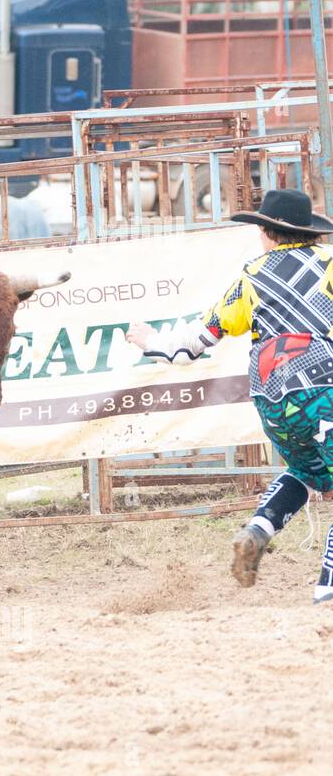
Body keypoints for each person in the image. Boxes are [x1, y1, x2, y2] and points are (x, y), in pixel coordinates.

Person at [126, 189, 333, 604]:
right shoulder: (329, 265)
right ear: (307, 232)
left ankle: (259, 529)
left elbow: (190, 347)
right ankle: (328, 590)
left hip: (273, 401)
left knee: (306, 471)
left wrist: (150, 341)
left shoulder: (252, 277)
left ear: (266, 233)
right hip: (324, 387)